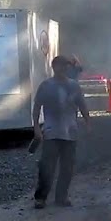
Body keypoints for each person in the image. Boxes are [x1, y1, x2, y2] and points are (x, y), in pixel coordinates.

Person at [31, 55, 91, 209]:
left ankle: (61, 197)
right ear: (54, 67)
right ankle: (41, 198)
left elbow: (82, 105)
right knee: (47, 167)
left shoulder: (74, 86)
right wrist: (36, 128)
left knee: (67, 168)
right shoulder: (46, 86)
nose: (64, 68)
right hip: (51, 132)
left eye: (66, 66)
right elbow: (37, 107)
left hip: (70, 132)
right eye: (61, 65)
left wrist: (88, 123)